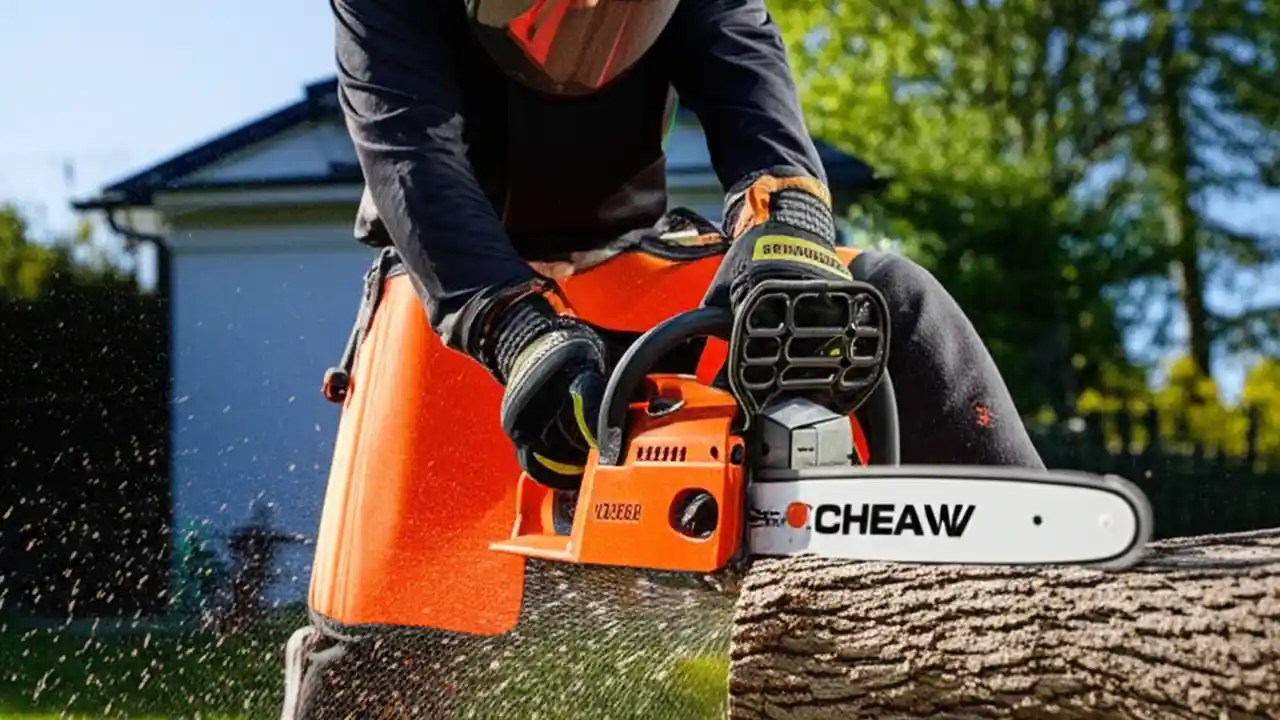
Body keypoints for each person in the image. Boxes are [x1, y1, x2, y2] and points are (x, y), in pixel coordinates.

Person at [282, 1, 1046, 716]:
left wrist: (788, 223)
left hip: (626, 265)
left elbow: (745, 71)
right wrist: (515, 328)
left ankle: (1052, 596)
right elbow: (413, 156)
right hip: (453, 291)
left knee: (886, 300)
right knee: (374, 655)